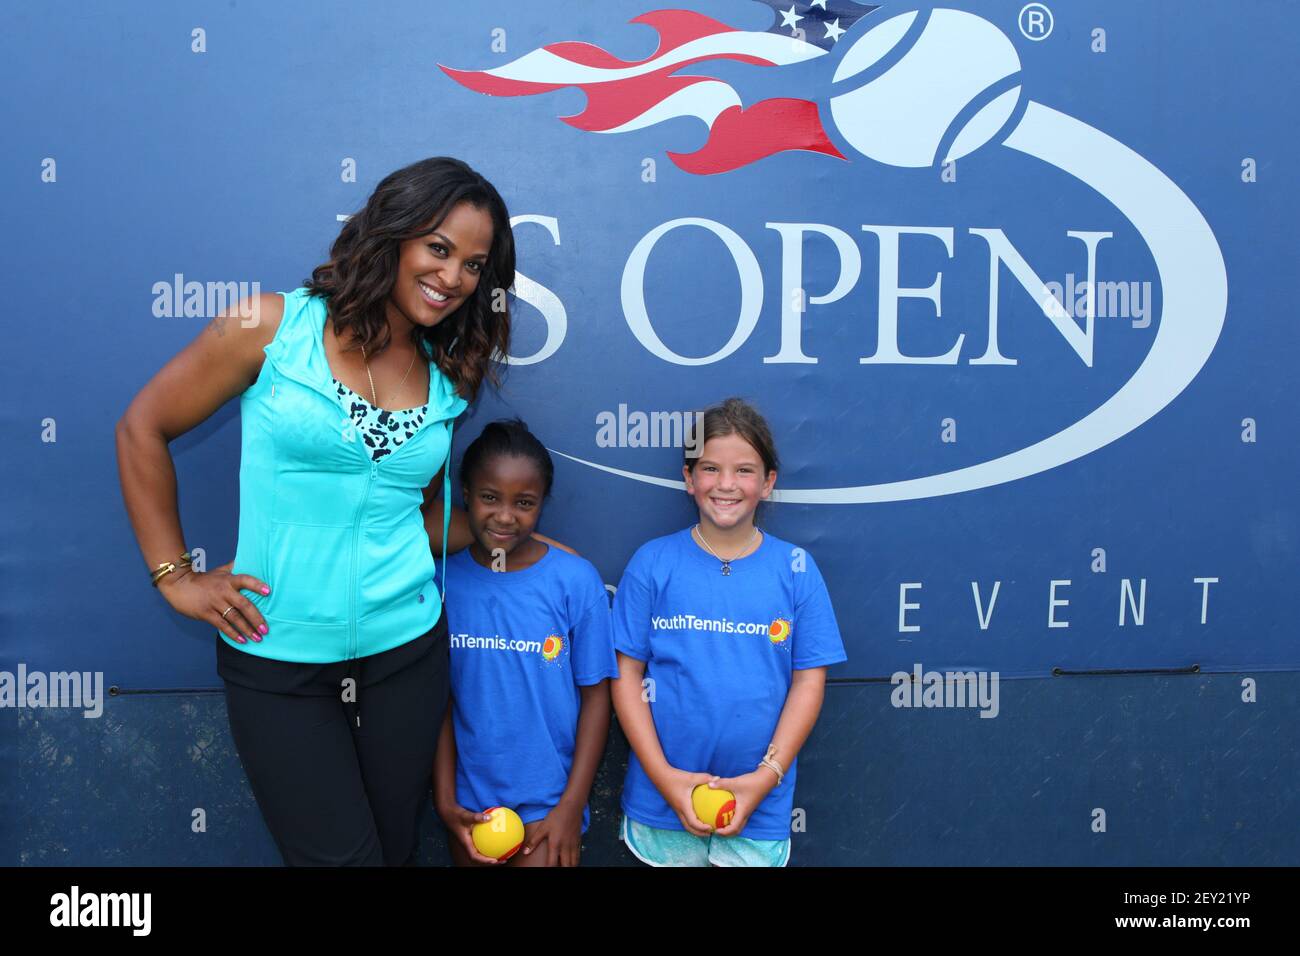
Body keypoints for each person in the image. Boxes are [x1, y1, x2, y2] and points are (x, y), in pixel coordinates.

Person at [115, 156, 563, 865]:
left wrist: (510, 537)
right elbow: (142, 427)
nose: (453, 278)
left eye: (474, 266)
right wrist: (175, 575)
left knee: (389, 851)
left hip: (406, 657)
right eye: (438, 249)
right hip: (277, 657)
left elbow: (412, 514)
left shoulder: (450, 372)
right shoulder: (267, 327)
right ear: (392, 234)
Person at [609, 397, 847, 866]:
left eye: (744, 470)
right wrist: (665, 778)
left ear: (768, 481)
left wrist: (765, 777)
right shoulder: (653, 563)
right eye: (710, 468)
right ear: (688, 477)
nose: (726, 484)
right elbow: (626, 676)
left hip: (760, 804)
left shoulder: (796, 570)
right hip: (661, 803)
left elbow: (808, 682)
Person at [433, 419, 617, 867]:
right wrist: (444, 801)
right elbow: (437, 702)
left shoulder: (575, 581)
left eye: (524, 502)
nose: (504, 516)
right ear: (464, 494)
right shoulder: (440, 582)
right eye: (489, 497)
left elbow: (597, 699)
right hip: (470, 810)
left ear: (542, 505)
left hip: (549, 806)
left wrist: (571, 806)